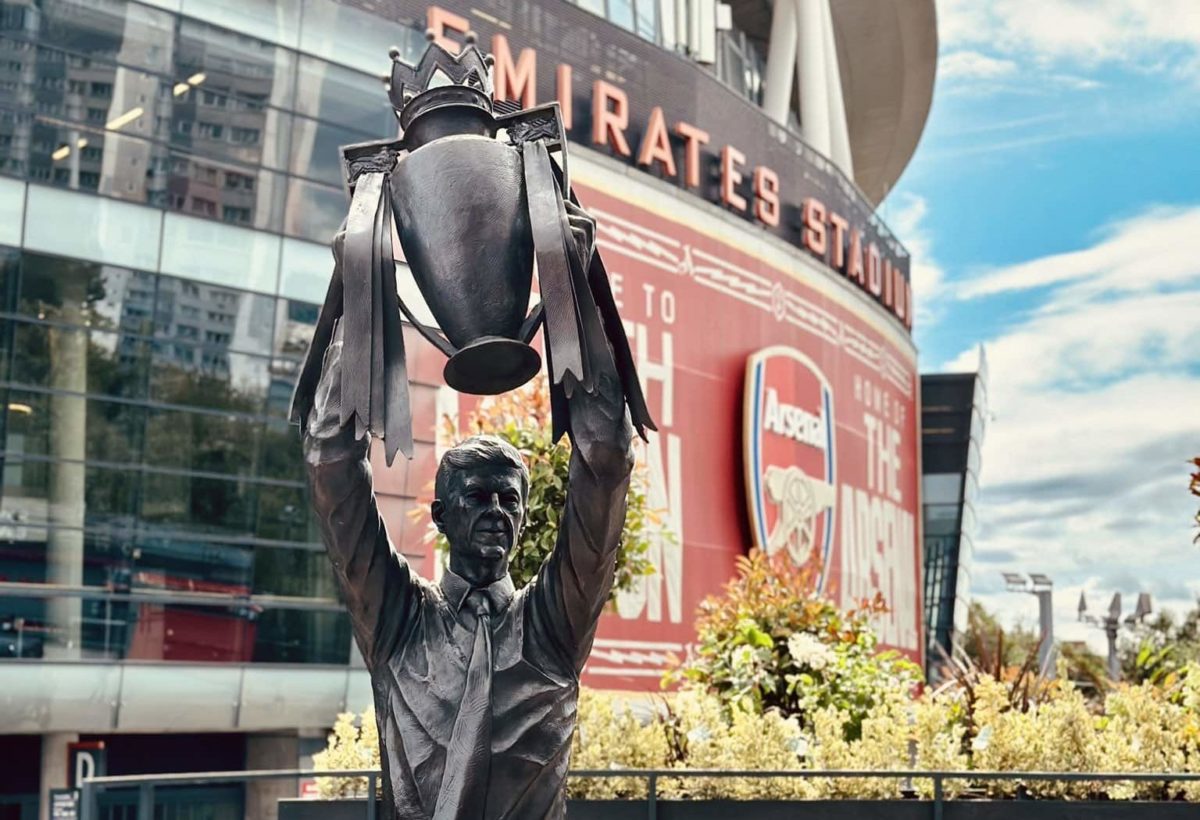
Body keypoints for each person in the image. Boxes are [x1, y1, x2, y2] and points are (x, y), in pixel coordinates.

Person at [304, 271, 634, 819]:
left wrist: (570, 282)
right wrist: (363, 286)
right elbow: (329, 463)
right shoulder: (396, 619)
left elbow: (606, 460)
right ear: (440, 515)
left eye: (509, 501)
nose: (496, 512)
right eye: (478, 496)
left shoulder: (553, 627)